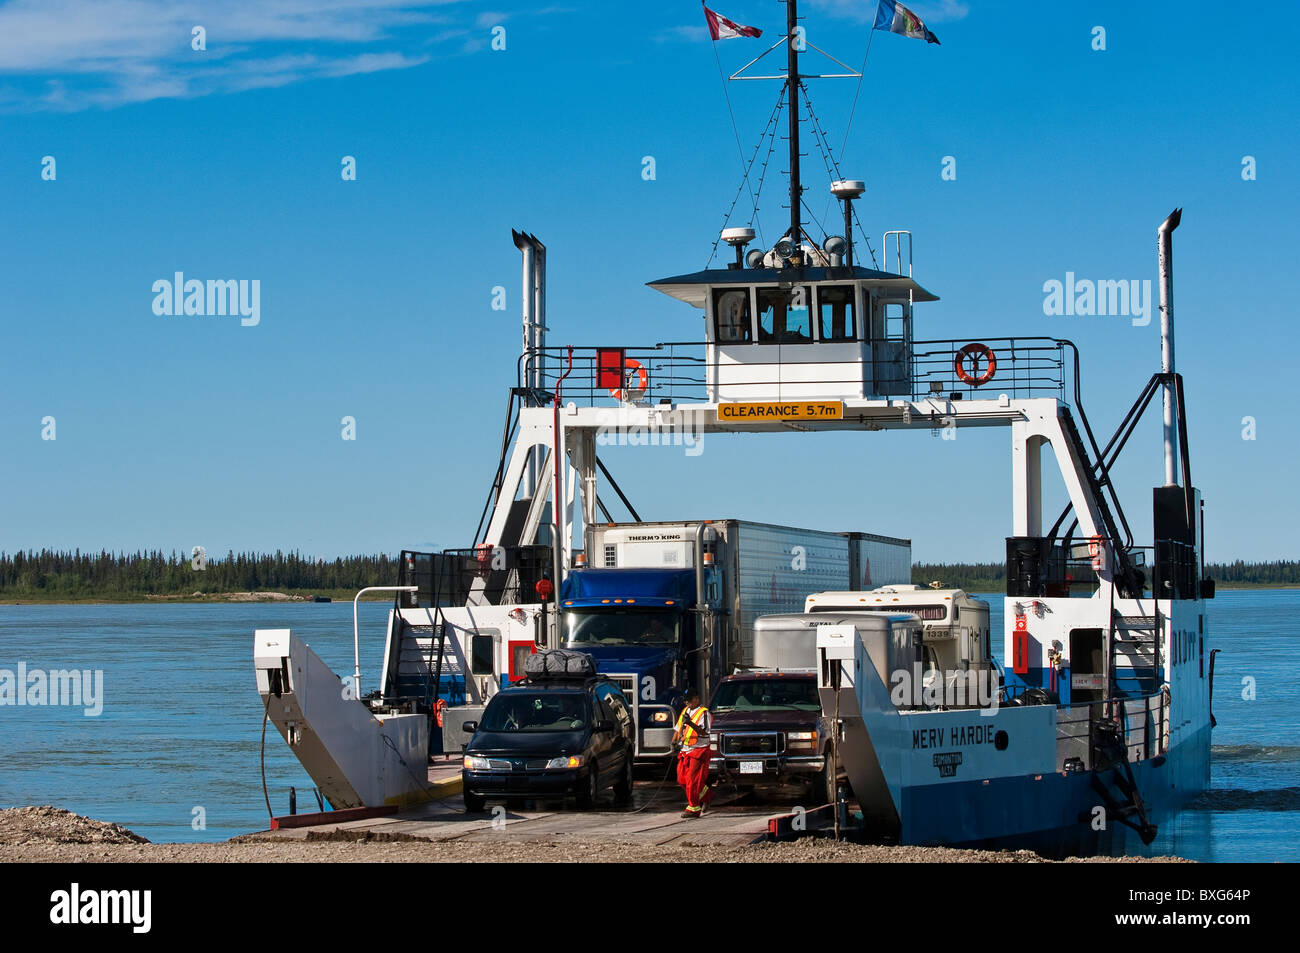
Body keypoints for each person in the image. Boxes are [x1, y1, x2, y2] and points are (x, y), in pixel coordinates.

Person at [672, 689, 714, 818]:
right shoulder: (685, 711)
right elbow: (678, 728)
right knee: (682, 779)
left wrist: (690, 723)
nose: (687, 703)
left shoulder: (704, 713)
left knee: (692, 780)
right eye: (686, 701)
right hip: (685, 750)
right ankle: (706, 795)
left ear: (696, 699)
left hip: (698, 750)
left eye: (689, 701)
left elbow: (704, 732)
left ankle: (694, 808)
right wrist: (673, 741)